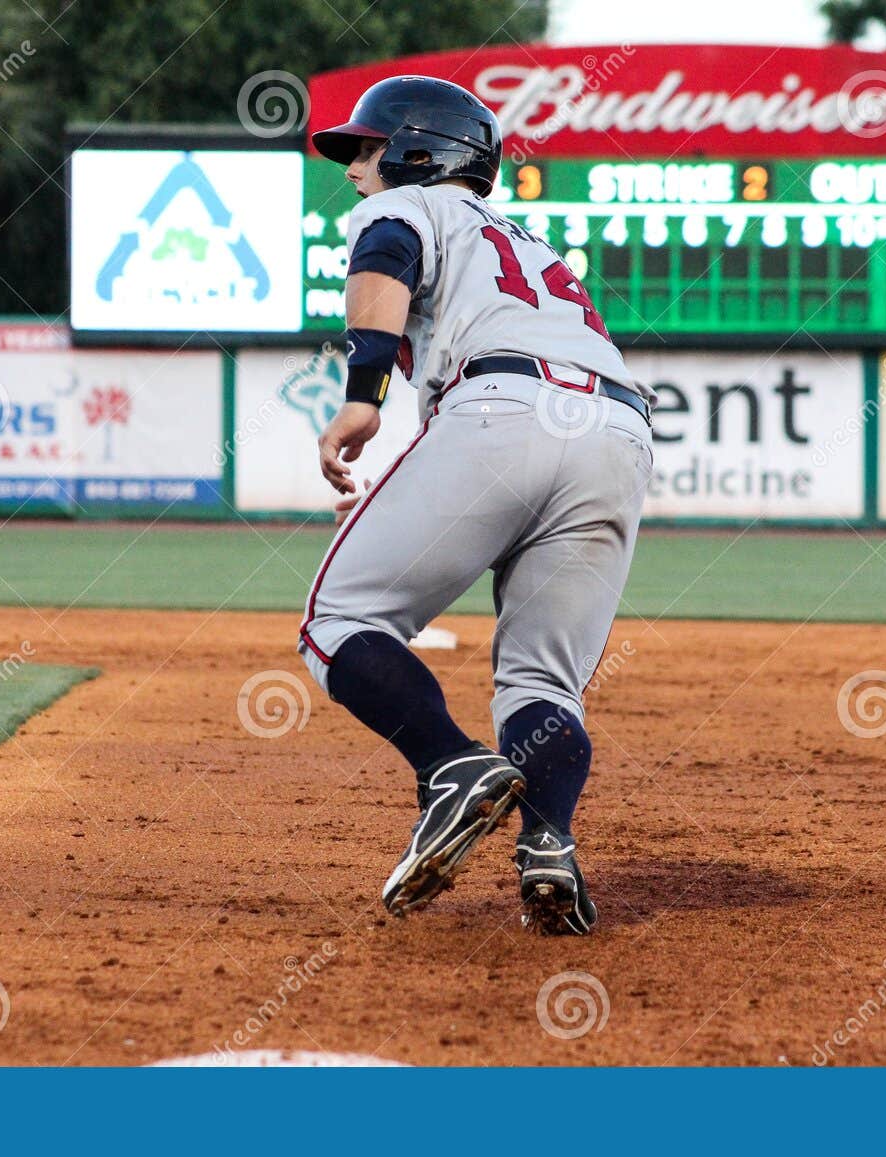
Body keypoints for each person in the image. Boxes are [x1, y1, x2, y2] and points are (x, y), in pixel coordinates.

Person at [298, 76, 654, 935]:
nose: (355, 171)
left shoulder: (414, 205)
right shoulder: (532, 241)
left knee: (339, 619)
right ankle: (549, 846)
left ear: (419, 151)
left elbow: (383, 260)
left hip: (502, 408)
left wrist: (362, 391)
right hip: (622, 430)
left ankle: (449, 765)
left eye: (368, 150)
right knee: (544, 681)